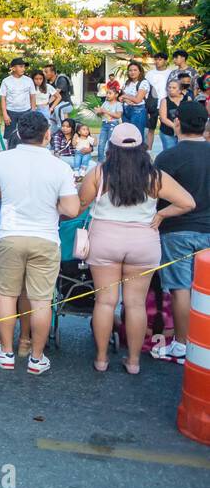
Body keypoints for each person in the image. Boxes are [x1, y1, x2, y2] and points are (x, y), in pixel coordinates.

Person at [79, 122, 194, 374]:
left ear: (111, 147)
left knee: (106, 302)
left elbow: (78, 205)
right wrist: (162, 214)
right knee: (135, 304)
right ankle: (133, 361)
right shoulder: (154, 176)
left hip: (105, 240)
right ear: (142, 147)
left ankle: (101, 359)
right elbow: (187, 202)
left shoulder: (99, 174)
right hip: (143, 242)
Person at [0, 112, 80, 374]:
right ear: (47, 135)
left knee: (6, 294)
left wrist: (8, 192)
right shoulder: (60, 167)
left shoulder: (2, 159)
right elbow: (71, 209)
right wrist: (51, 202)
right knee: (41, 301)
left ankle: (6, 352)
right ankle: (36, 357)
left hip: (10, 235)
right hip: (45, 238)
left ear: (18, 133)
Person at [153, 100, 210, 364]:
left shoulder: (168, 157)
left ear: (177, 123)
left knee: (180, 288)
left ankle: (181, 343)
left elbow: (154, 195)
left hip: (177, 231)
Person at [0, 58, 35, 141]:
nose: (23, 69)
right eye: (21, 67)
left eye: (24, 67)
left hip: (26, 111)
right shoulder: (6, 81)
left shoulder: (28, 80)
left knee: (26, 134)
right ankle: (10, 152)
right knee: (10, 136)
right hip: (11, 112)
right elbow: (2, 98)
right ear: (13, 68)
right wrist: (4, 114)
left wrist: (32, 111)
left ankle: (24, 152)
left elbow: (32, 96)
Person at [120, 60, 151, 134]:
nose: (132, 72)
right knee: (127, 136)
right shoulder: (127, 82)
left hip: (138, 111)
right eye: (130, 70)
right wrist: (125, 99)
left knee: (137, 135)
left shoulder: (144, 82)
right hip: (125, 111)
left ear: (140, 71)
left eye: (135, 70)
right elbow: (120, 97)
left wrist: (125, 96)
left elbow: (138, 100)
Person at [158, 78, 187, 152]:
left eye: (174, 88)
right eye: (169, 87)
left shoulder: (187, 99)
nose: (170, 89)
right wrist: (176, 127)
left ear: (180, 90)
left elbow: (190, 115)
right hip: (168, 132)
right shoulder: (164, 101)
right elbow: (163, 118)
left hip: (184, 132)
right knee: (170, 153)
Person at [43, 63, 73, 131]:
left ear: (53, 72)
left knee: (58, 108)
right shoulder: (47, 82)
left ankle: (61, 128)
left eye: (46, 72)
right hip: (54, 108)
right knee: (51, 124)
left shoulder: (61, 79)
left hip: (66, 104)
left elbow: (55, 95)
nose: (44, 74)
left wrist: (47, 103)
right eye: (44, 72)